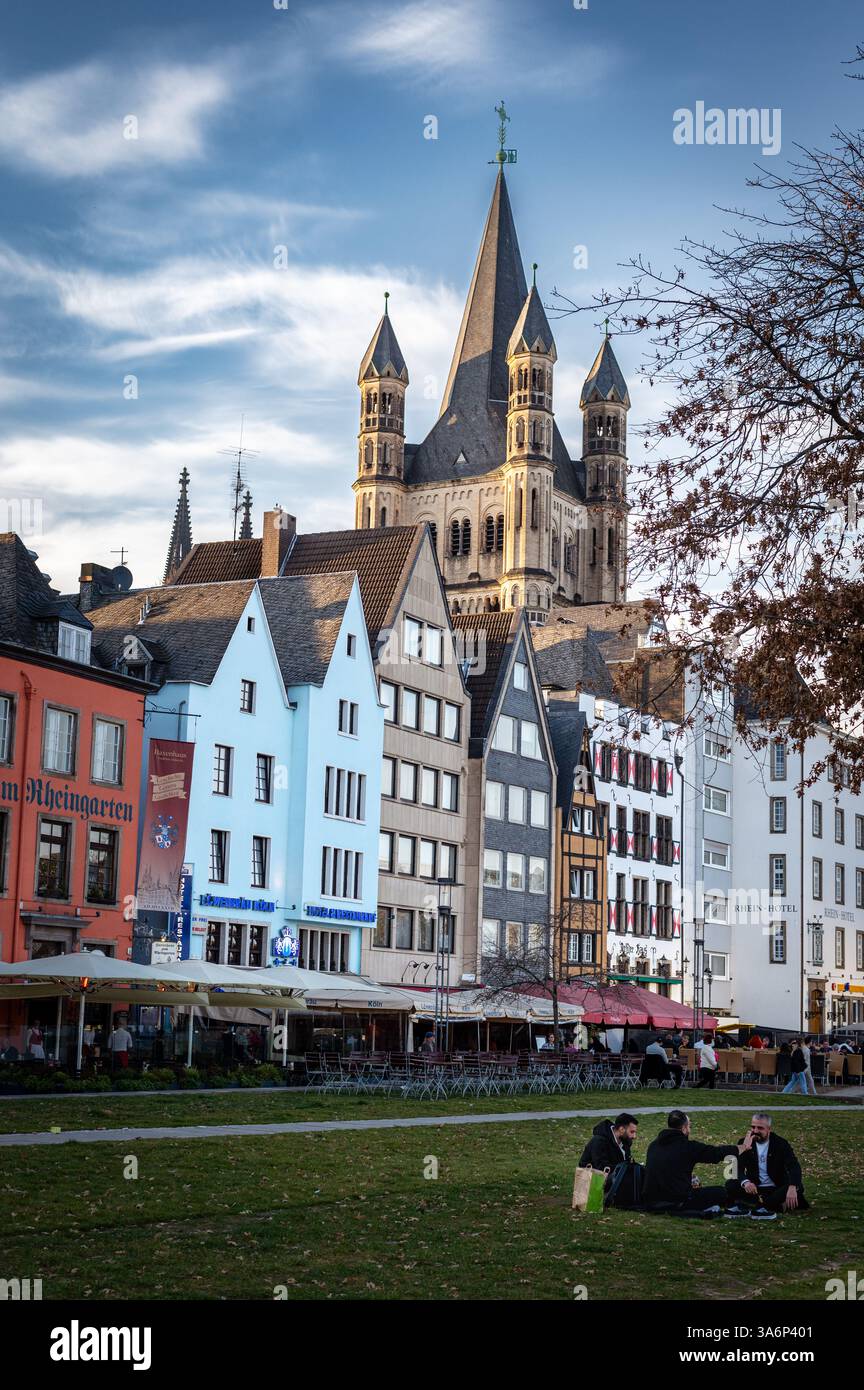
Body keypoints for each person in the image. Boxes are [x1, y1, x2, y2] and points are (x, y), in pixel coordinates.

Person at [642, 1109, 752, 1214]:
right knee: (721, 1192)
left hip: (653, 1200)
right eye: (689, 1126)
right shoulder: (688, 1147)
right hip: (678, 1200)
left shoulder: (653, 1145)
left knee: (695, 1183)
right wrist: (744, 1147)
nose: (689, 1130)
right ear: (684, 1128)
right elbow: (716, 1153)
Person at [725, 1111, 809, 1217]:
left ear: (769, 1129)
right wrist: (746, 1182)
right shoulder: (744, 1142)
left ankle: (757, 1204)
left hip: (776, 1188)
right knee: (730, 1184)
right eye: (753, 1127)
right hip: (754, 1188)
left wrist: (792, 1187)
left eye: (760, 1128)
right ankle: (771, 1205)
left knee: (798, 1187)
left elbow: (794, 1166)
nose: (755, 1131)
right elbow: (735, 1168)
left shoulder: (780, 1143)